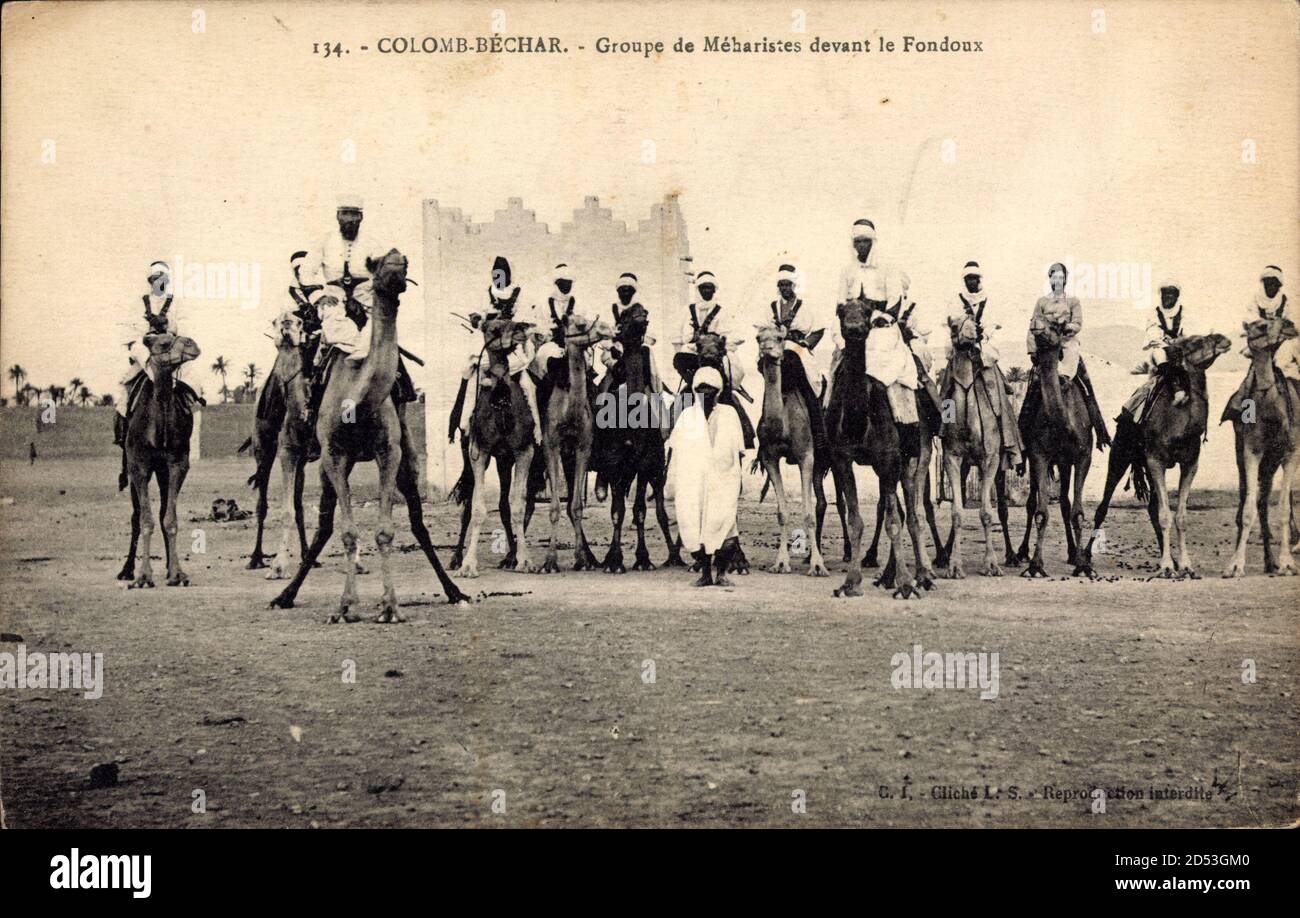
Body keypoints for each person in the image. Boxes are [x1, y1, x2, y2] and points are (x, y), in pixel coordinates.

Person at [303, 196, 418, 426]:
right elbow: (307, 273)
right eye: (346, 214)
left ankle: (400, 399)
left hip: (366, 301)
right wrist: (319, 296)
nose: (350, 220)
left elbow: (384, 274)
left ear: (361, 217)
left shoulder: (374, 244)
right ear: (338, 216)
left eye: (354, 215)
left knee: (381, 337)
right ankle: (311, 405)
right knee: (330, 337)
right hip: (334, 302)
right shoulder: (323, 242)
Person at [450, 255, 543, 444]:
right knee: (470, 380)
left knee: (528, 388)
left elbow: (527, 320)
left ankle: (537, 433)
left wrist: (514, 324)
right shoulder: (486, 293)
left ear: (509, 275)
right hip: (489, 347)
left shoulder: (520, 294)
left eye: (502, 274)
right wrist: (480, 320)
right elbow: (476, 314)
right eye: (495, 275)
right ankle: (464, 427)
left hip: (513, 350)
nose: (498, 278)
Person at [667, 367, 744, 586]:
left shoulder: (729, 413)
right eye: (701, 388)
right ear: (694, 390)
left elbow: (738, 450)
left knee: (725, 526)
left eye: (710, 389)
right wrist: (673, 479)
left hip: (723, 480)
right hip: (693, 481)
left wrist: (738, 480)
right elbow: (675, 449)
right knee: (693, 527)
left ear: (718, 391)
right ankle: (705, 575)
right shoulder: (687, 415)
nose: (706, 393)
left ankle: (721, 574)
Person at [944, 261, 1023, 467]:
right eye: (968, 278)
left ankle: (1007, 438)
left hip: (982, 351)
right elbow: (951, 323)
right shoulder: (955, 301)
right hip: (960, 353)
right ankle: (944, 426)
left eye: (975, 278)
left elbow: (992, 326)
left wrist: (983, 335)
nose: (972, 282)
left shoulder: (988, 301)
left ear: (979, 280)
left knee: (997, 395)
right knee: (946, 390)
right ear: (965, 280)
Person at [1024, 262, 1111, 447]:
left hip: (1067, 345)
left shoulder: (1073, 301)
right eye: (1054, 277)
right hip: (1047, 350)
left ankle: (1100, 429)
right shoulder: (1041, 301)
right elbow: (1033, 326)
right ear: (1050, 279)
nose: (1057, 281)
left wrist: (1066, 327)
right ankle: (1021, 440)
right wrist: (1033, 350)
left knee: (1086, 387)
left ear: (1065, 280)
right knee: (1032, 390)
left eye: (1061, 277)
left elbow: (1078, 323)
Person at [673, 271, 754, 448]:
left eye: (709, 288)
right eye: (703, 288)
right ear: (698, 289)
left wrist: (718, 345)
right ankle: (670, 431)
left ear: (714, 289)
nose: (706, 291)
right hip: (695, 359)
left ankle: (744, 432)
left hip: (715, 359)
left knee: (725, 391)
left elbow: (734, 337)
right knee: (684, 390)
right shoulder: (687, 311)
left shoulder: (722, 312)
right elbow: (677, 339)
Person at [767, 263, 828, 448]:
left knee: (803, 372)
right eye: (781, 285)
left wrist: (807, 343)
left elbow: (818, 330)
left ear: (793, 285)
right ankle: (766, 433)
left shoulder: (805, 306)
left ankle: (818, 430)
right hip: (777, 346)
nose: (785, 288)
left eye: (787, 284)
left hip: (798, 346)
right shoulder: (771, 307)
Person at [1226, 264, 1298, 418]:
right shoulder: (1255, 301)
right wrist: (1270, 327)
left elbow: (1293, 325)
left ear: (1279, 285)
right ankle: (1247, 419)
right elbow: (1250, 322)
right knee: (1249, 383)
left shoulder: (1286, 301)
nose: (1270, 286)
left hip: (1283, 346)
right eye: (1267, 283)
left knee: (1291, 376)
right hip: (1261, 347)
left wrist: (1279, 331)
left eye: (1274, 283)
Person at [1119, 278, 1193, 424]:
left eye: (1171, 294)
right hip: (1161, 353)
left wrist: (1178, 343)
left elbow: (1189, 334)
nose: (1167, 297)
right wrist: (1167, 343)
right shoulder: (1154, 313)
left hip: (1180, 353)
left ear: (1177, 296)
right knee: (1159, 353)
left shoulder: (1185, 313)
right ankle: (1176, 389)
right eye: (1164, 294)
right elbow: (1153, 334)